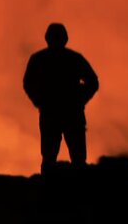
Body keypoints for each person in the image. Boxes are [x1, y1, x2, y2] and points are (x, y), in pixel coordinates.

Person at [22, 23, 99, 173]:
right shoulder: (72, 58)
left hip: (62, 113)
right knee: (58, 157)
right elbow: (28, 83)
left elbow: (93, 82)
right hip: (63, 113)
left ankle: (49, 189)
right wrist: (80, 99)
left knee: (65, 158)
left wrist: (79, 99)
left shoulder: (40, 59)